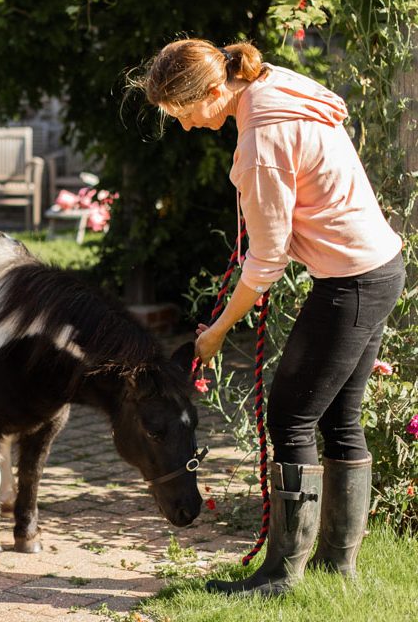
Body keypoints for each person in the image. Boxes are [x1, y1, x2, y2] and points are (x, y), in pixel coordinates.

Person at [138, 38, 405, 596]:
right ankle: (336, 569)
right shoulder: (271, 83)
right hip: (375, 268)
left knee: (290, 418)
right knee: (339, 418)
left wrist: (217, 331)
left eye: (185, 112)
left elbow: (266, 260)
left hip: (352, 280)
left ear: (216, 89)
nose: (185, 126)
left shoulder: (262, 138)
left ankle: (281, 577)